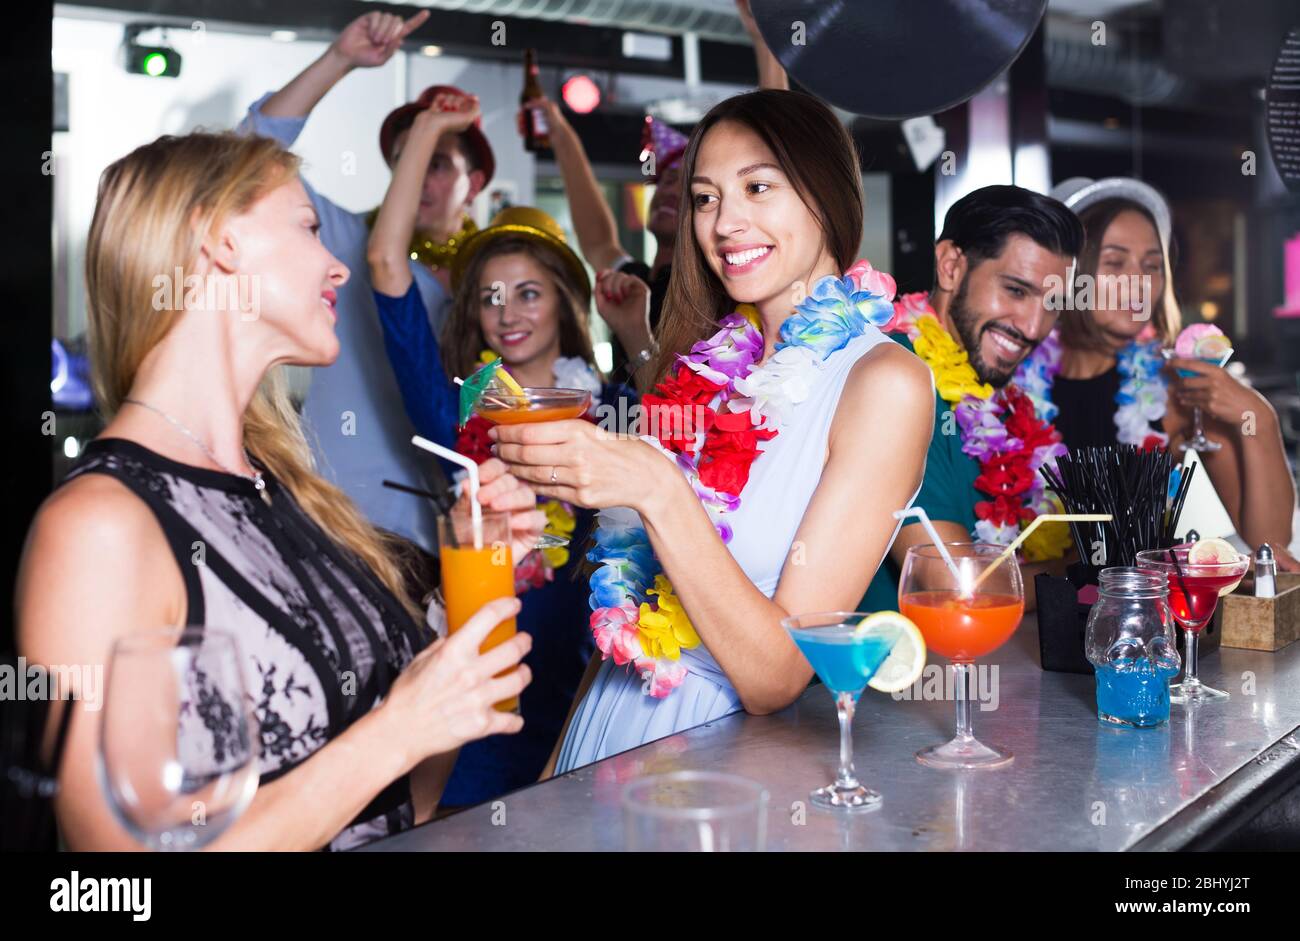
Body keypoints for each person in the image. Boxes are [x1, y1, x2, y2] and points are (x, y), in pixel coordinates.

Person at [15, 131, 542, 851]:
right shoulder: (100, 526)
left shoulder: (294, 495)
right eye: (309, 226)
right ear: (218, 241)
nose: (338, 267)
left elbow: (399, 808)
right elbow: (117, 880)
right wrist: (397, 730)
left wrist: (465, 595)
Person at [495, 89, 934, 773]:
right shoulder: (702, 367)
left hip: (715, 767)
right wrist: (555, 777)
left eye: (758, 187)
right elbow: (631, 604)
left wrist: (658, 488)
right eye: (704, 198)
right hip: (601, 739)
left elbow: (778, 675)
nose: (726, 222)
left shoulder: (884, 382)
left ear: (826, 197)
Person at [366, 94, 637, 803]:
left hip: (588, 706)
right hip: (479, 711)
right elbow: (385, 265)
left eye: (527, 293)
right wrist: (427, 131)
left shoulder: (612, 408)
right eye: (489, 296)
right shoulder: (457, 409)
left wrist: (635, 328)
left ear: (563, 301)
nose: (507, 313)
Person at [238, 9, 491, 552]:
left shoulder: (498, 276)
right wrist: (340, 59)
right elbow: (249, 152)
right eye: (406, 159)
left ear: (476, 181)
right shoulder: (349, 242)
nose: (419, 175)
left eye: (437, 161)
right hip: (340, 512)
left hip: (465, 531)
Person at [1025, 176, 1298, 569]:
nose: (1139, 283)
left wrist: (1259, 419)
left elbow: (1271, 547)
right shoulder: (1011, 383)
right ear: (1068, 274)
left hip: (1136, 618)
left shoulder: (1172, 389)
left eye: (1152, 265)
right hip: (1018, 622)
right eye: (1115, 262)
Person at [528, 0, 790, 387]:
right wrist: (561, 135)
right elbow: (598, 239)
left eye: (692, 191)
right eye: (665, 180)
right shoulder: (635, 280)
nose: (671, 188)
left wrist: (763, 41)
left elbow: (779, 150)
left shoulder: (716, 287)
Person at [860, 185, 1086, 614]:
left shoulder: (1008, 400)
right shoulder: (896, 375)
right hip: (884, 674)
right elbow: (950, 582)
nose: (1035, 327)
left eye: (1053, 302)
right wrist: (1083, 572)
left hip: (973, 666)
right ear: (950, 266)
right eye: (1016, 291)